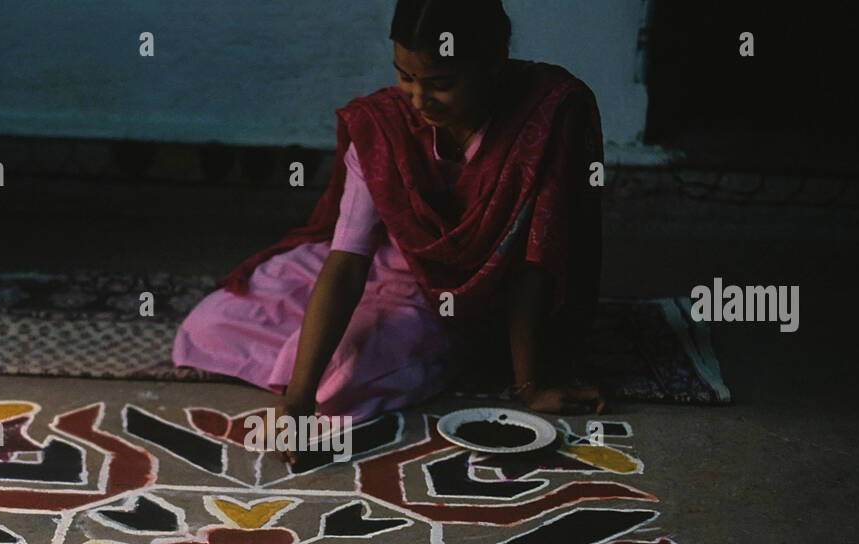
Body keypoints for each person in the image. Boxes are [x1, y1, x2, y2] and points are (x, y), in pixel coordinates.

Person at [172, 0, 605, 464]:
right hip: (381, 261)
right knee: (212, 322)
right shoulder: (384, 127)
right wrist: (295, 403)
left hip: (455, 296)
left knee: (339, 376)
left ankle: (364, 357)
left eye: (441, 84)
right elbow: (347, 260)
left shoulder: (542, 122)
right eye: (406, 77)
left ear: (493, 65)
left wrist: (530, 385)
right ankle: (314, 364)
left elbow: (533, 261)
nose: (418, 100)